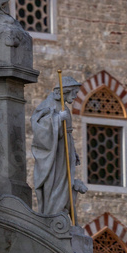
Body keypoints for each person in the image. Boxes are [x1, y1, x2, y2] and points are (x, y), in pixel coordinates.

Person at [31, 76, 88, 218]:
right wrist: (56, 119)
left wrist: (73, 152)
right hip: (55, 155)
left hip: (64, 151)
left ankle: (61, 210)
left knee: (65, 180)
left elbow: (68, 133)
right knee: (55, 180)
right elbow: (37, 126)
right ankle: (53, 212)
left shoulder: (64, 107)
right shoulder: (48, 104)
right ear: (66, 91)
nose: (75, 97)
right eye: (73, 93)